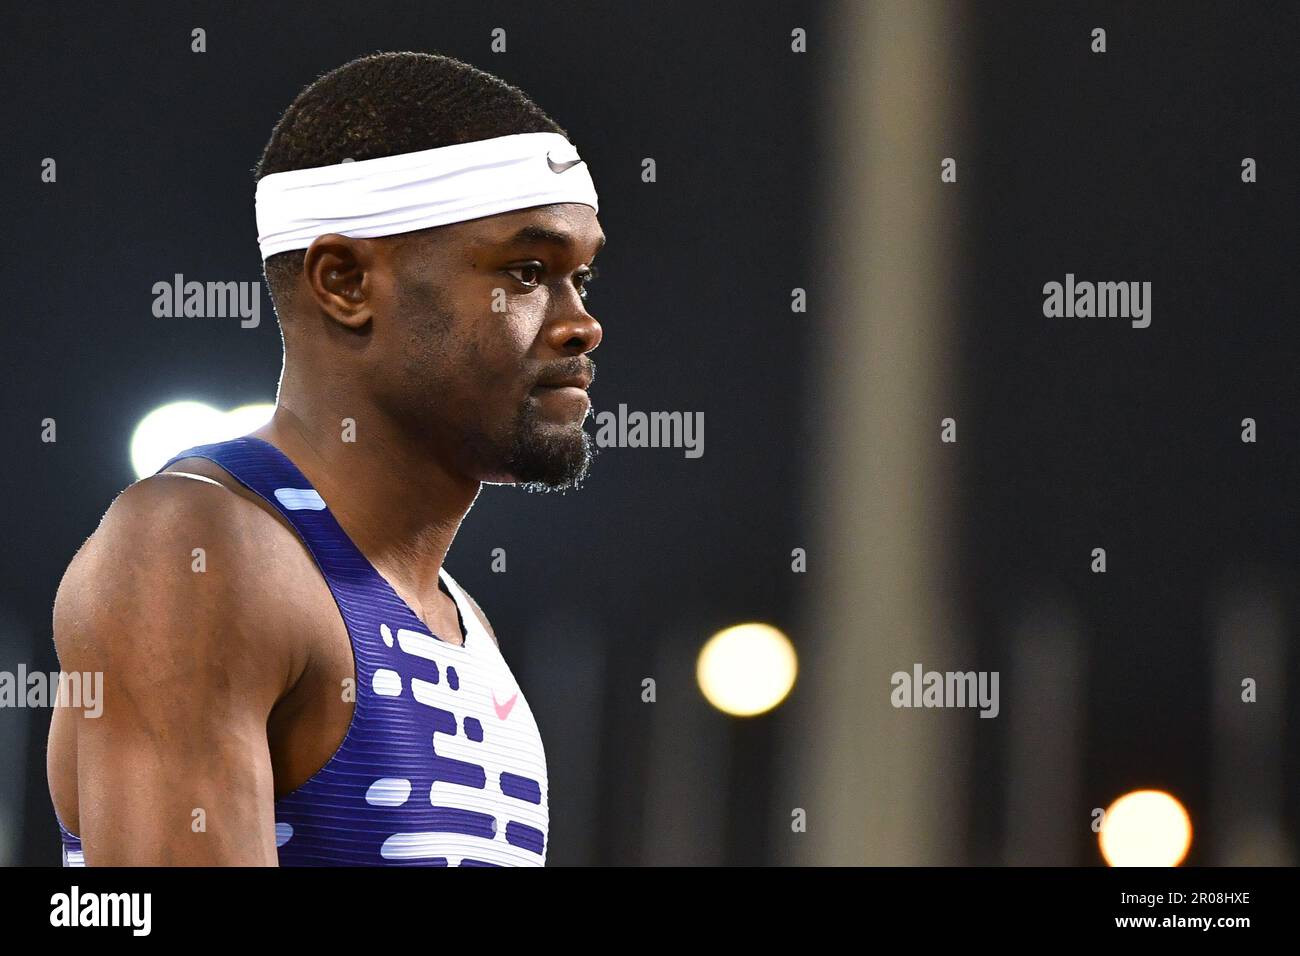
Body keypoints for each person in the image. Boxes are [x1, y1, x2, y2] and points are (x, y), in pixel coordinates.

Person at [46, 50, 606, 866]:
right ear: (344, 281)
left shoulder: (462, 623)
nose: (581, 323)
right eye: (528, 272)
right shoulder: (195, 547)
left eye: (581, 277)